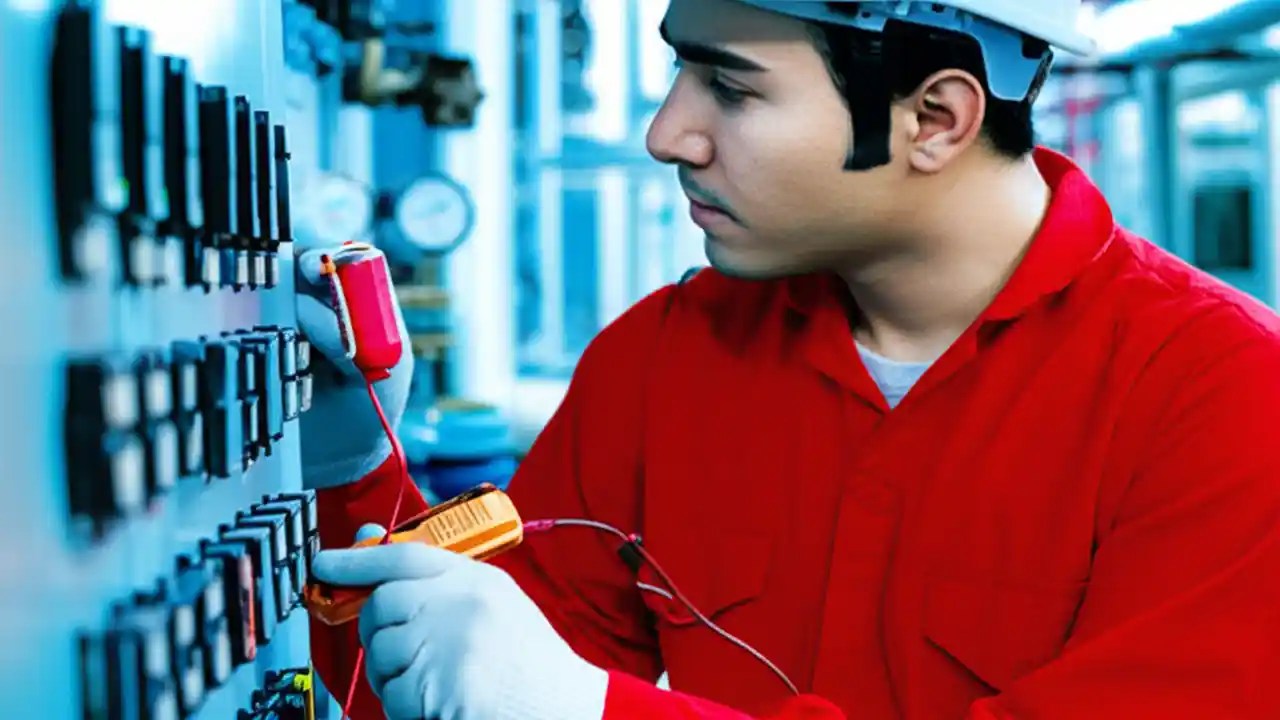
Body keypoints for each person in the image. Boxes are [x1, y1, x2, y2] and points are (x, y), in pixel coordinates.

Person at [298, 1, 1280, 718]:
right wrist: (349, 472)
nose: (665, 134)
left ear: (934, 118)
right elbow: (422, 694)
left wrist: (601, 714)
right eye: (680, 75)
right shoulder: (662, 359)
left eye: (728, 86)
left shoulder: (1218, 397)